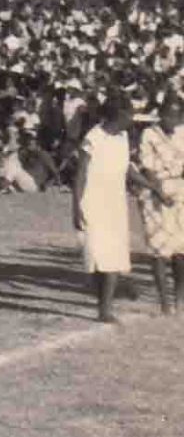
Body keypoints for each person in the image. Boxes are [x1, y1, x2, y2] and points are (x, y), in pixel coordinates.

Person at [72, 94, 139, 326]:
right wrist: (76, 206)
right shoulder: (93, 137)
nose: (132, 119)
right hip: (93, 202)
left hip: (115, 204)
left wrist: (147, 185)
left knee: (113, 256)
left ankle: (105, 309)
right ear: (118, 115)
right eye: (129, 114)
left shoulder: (124, 138)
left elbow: (126, 168)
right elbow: (80, 175)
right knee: (95, 258)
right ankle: (103, 304)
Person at [134, 95, 184, 315]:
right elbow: (147, 168)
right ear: (161, 114)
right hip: (154, 193)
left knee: (180, 250)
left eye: (177, 115)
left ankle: (180, 297)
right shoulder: (149, 134)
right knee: (158, 250)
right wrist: (159, 192)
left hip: (180, 190)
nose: (172, 119)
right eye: (168, 114)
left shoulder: (183, 133)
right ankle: (165, 301)